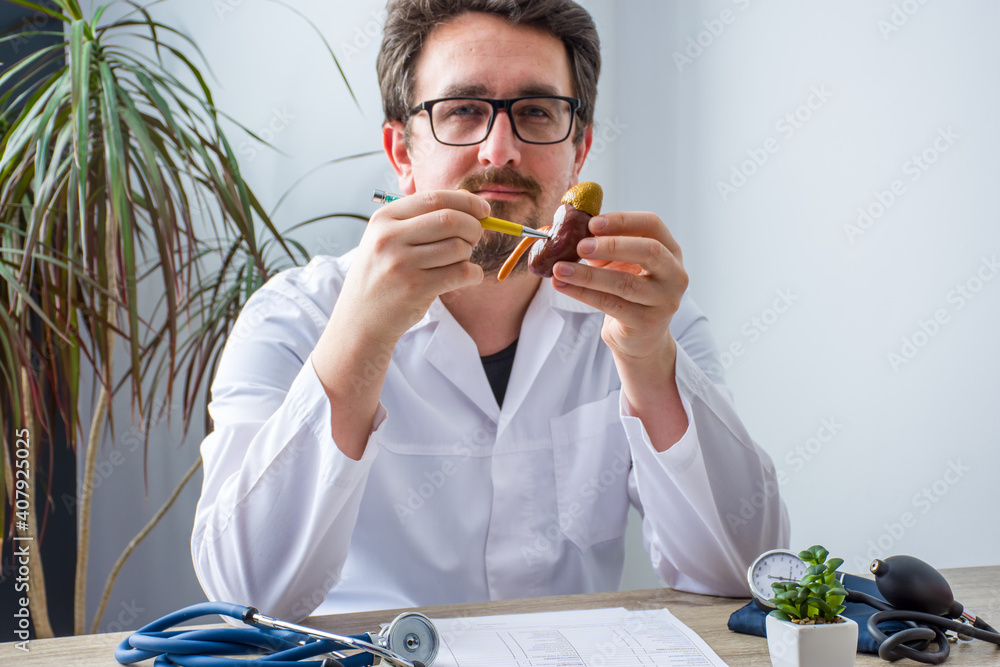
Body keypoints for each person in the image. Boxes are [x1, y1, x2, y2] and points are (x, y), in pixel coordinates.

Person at [191, 0, 789, 621]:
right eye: (463, 111)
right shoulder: (291, 322)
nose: (499, 150)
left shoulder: (648, 318)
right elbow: (245, 593)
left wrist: (649, 359)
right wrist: (360, 336)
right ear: (401, 152)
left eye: (535, 111)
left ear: (578, 149)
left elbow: (745, 571)